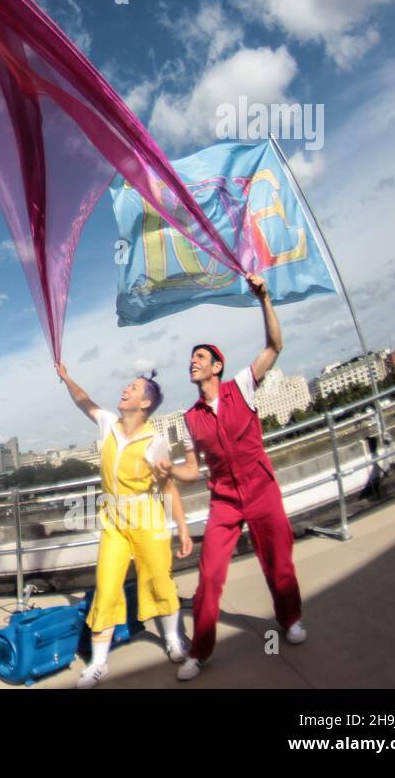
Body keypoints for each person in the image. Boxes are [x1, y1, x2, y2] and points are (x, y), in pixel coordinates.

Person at [156, 272, 305, 682]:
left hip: (261, 490)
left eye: (199, 358)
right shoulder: (188, 419)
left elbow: (275, 345)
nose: (193, 362)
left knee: (278, 562)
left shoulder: (242, 386)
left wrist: (265, 299)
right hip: (223, 500)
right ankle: (199, 652)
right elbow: (192, 470)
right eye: (191, 360)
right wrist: (172, 470)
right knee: (210, 576)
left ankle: (289, 619)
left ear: (217, 366)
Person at [57, 362, 192, 688]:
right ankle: (98, 663)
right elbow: (83, 400)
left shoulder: (154, 441)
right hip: (114, 521)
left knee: (160, 580)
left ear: (145, 403)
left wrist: (183, 528)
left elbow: (168, 486)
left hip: (148, 519)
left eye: (132, 388)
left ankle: (173, 639)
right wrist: (66, 377)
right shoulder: (108, 424)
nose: (124, 390)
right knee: (106, 585)